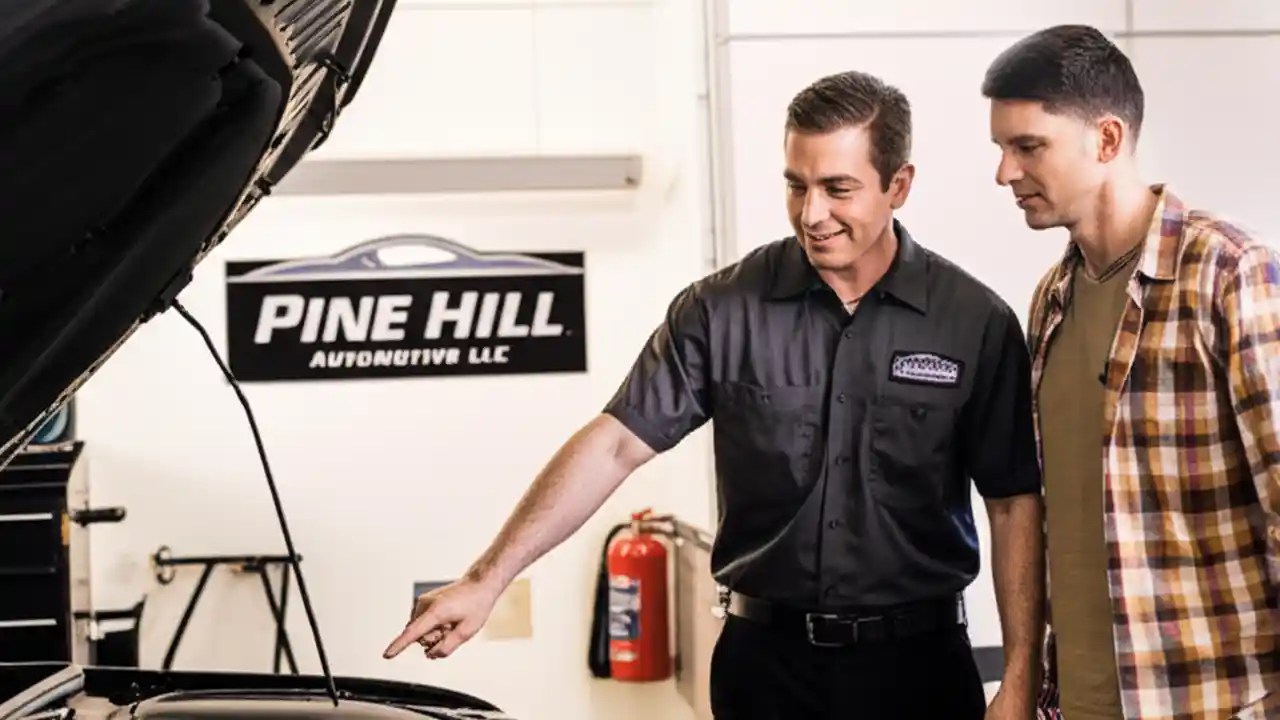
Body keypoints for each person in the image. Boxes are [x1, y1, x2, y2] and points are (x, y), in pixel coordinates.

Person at [383, 70, 1046, 719]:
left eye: (838, 189)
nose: (812, 214)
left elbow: (1013, 503)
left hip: (920, 673)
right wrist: (487, 578)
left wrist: (1020, 677)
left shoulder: (973, 323)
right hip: (766, 671)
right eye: (797, 186)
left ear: (898, 185)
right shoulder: (722, 310)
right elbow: (615, 444)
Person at [983, 24, 1280, 720]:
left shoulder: (1230, 274)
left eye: (1028, 146)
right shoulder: (1050, 302)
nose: (1004, 172)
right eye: (1000, 149)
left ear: (1107, 140)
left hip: (1214, 702)